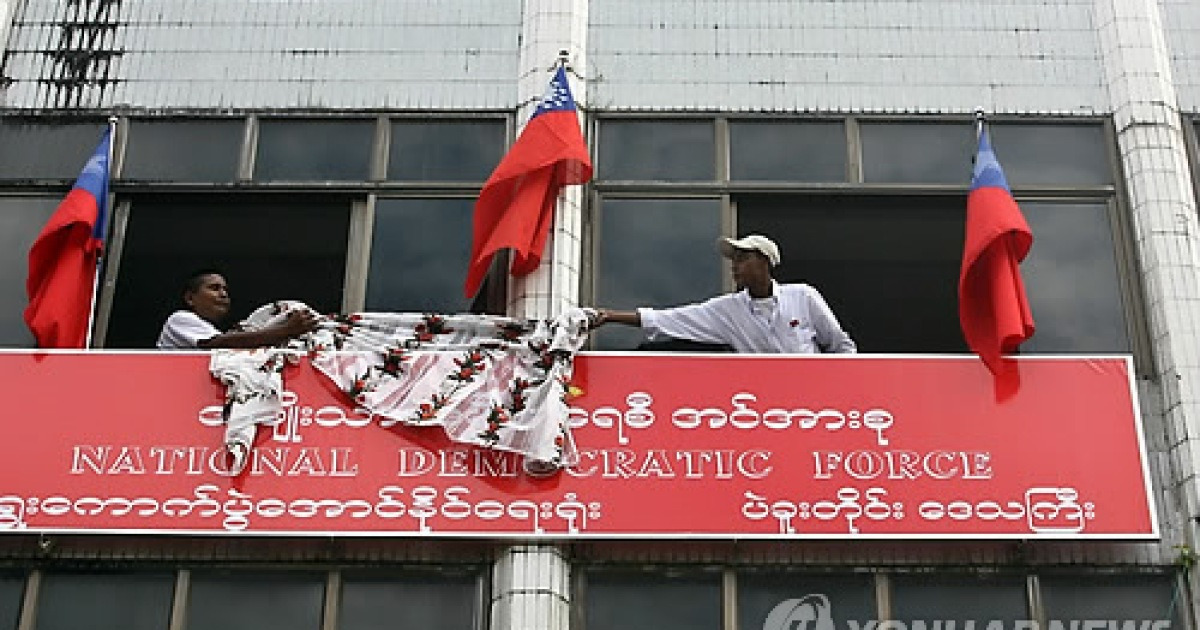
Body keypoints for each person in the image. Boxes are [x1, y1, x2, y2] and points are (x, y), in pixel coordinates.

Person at [590, 234, 857, 354]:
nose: (735, 265)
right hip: (762, 407)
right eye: (734, 259)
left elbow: (842, 347)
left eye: (743, 258)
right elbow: (669, 319)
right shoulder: (728, 310)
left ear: (764, 262)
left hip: (814, 404)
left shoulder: (803, 297)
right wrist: (610, 316)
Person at [156, 270, 319, 350]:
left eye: (225, 290)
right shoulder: (179, 319)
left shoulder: (213, 330)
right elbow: (218, 344)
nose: (223, 294)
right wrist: (287, 330)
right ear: (190, 298)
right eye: (214, 288)